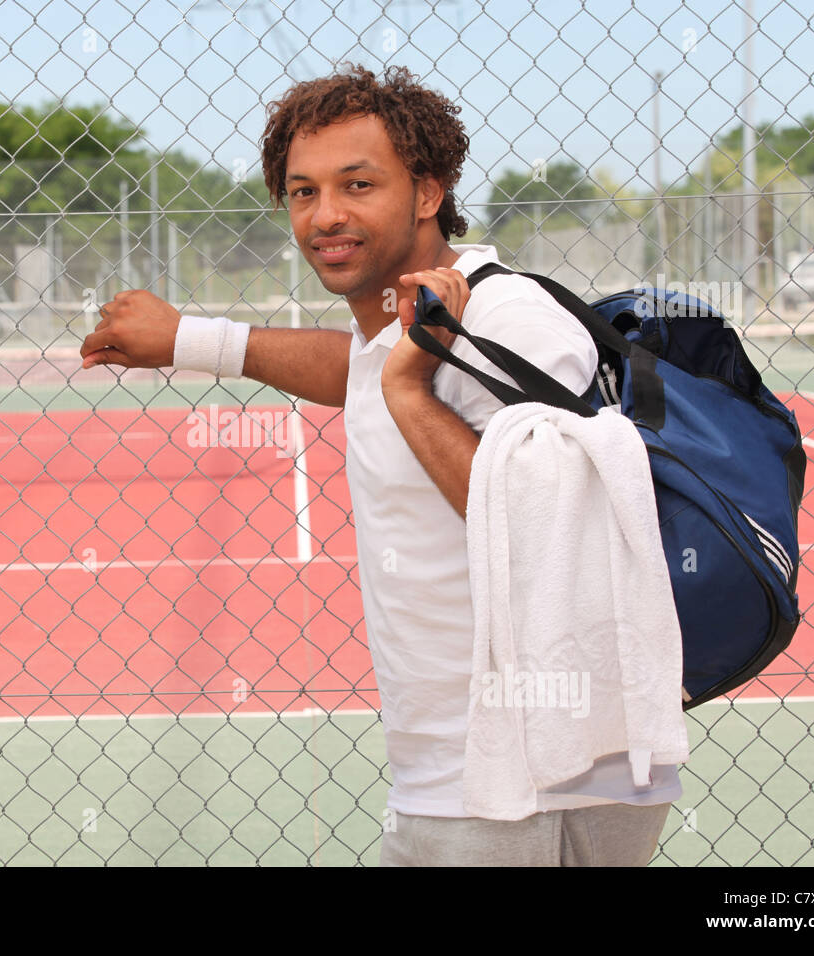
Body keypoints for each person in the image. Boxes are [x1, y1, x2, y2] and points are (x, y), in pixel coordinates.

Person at [79, 64, 680, 866]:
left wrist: (407, 389)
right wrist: (194, 340)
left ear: (428, 192)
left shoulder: (508, 321)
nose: (326, 214)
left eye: (357, 184)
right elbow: (356, 368)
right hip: (456, 777)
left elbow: (541, 528)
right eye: (303, 191)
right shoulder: (412, 326)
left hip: (531, 781)